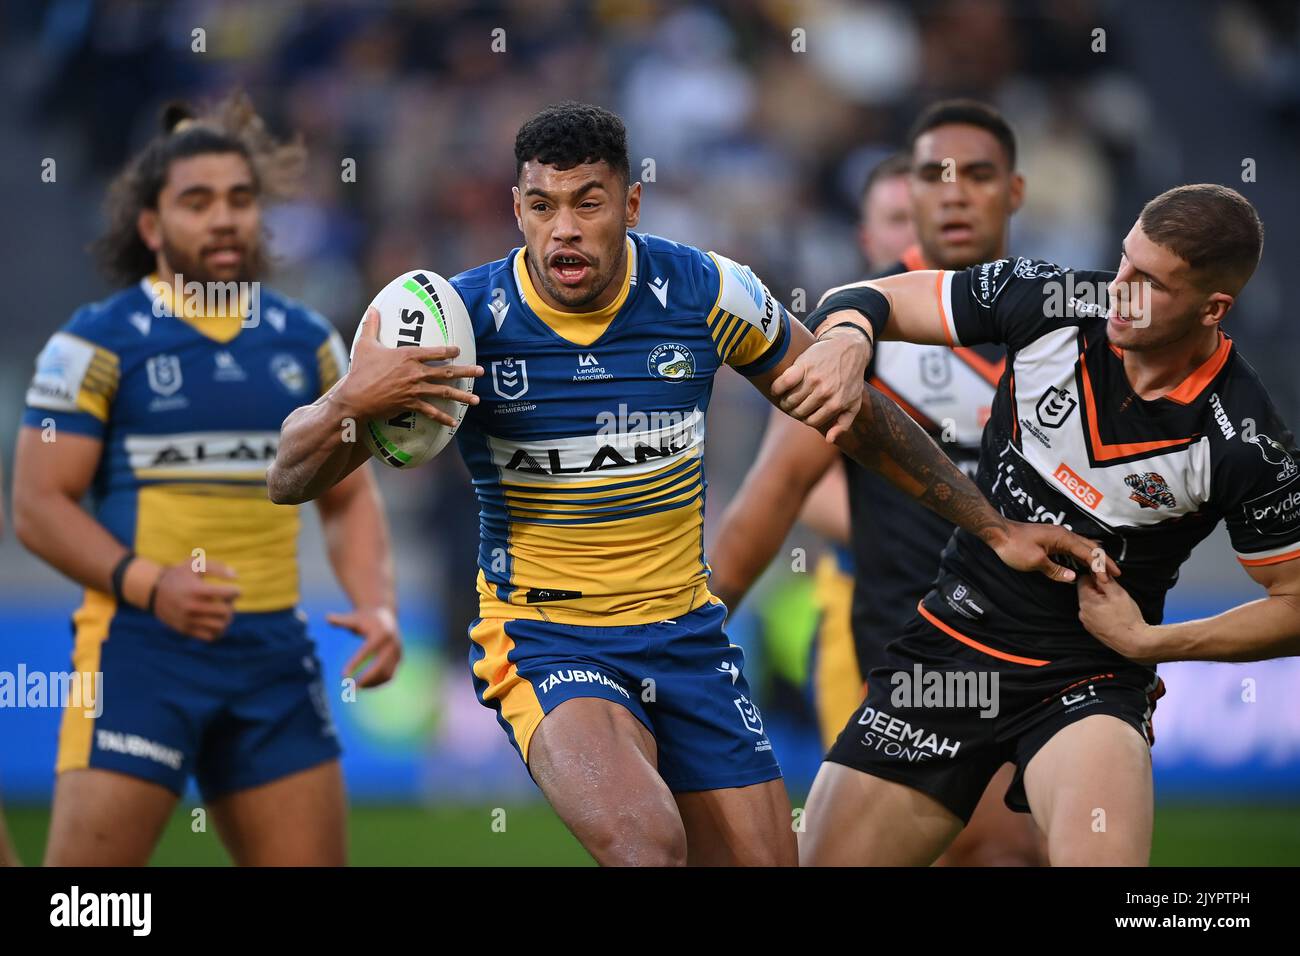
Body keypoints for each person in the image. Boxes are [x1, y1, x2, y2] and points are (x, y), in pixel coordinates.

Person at [266, 101, 1106, 867]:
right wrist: (351, 401)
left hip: (687, 639)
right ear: (516, 208)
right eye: (541, 205)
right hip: (548, 636)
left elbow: (849, 411)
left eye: (588, 203)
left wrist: (994, 528)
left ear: (630, 207)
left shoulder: (707, 291)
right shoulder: (463, 324)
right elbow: (288, 477)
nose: (563, 230)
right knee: (648, 845)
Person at [778, 182, 1295, 866]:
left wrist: (1152, 642)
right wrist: (847, 338)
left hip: (1087, 675)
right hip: (951, 648)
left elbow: (1292, 603)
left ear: (1213, 307)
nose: (1121, 289)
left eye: (1150, 282)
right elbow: (877, 295)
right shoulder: (1051, 299)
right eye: (1124, 262)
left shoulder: (1242, 438)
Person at [13, 94, 401, 866]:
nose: (224, 218)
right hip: (139, 652)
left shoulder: (308, 344)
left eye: (240, 199)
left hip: (273, 660)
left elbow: (350, 497)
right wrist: (151, 584)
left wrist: (377, 604)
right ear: (151, 227)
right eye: (198, 202)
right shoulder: (94, 343)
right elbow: (36, 505)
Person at [712, 101, 1044, 864]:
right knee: (993, 854)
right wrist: (683, 646)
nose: (955, 195)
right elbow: (771, 495)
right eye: (934, 177)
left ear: (1017, 191)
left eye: (979, 176)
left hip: (1054, 654)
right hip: (916, 660)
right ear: (909, 194)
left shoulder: (1067, 324)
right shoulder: (857, 342)